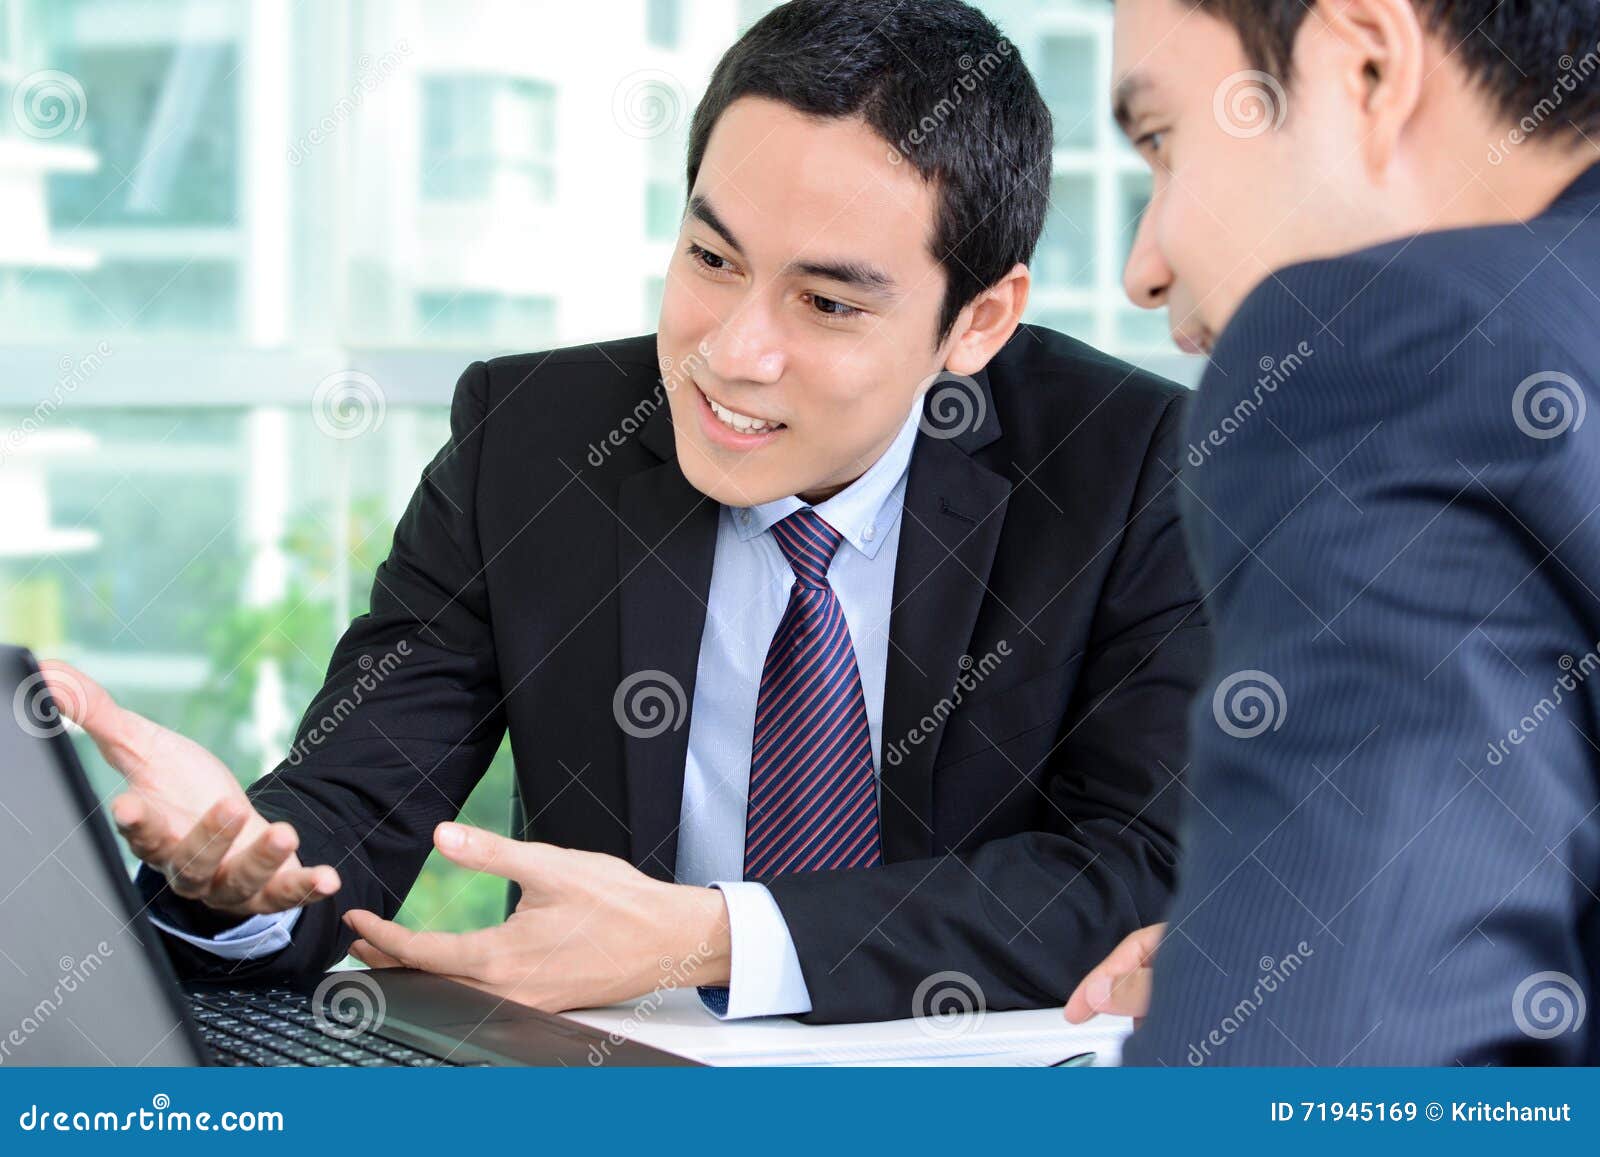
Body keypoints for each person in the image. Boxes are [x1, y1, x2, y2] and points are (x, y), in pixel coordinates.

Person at [43, 0, 1209, 1025]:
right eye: (710, 256)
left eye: (826, 302)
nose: (733, 353)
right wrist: (238, 879)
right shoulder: (530, 440)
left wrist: (710, 934)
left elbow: (1141, 863)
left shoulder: (1129, 465)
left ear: (978, 324)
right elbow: (354, 800)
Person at [1066, 0, 1600, 1064]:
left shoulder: (1392, 352)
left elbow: (1313, 1099)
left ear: (1364, 67)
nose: (1143, 268)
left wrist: (1294, 988)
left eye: (1162, 142)